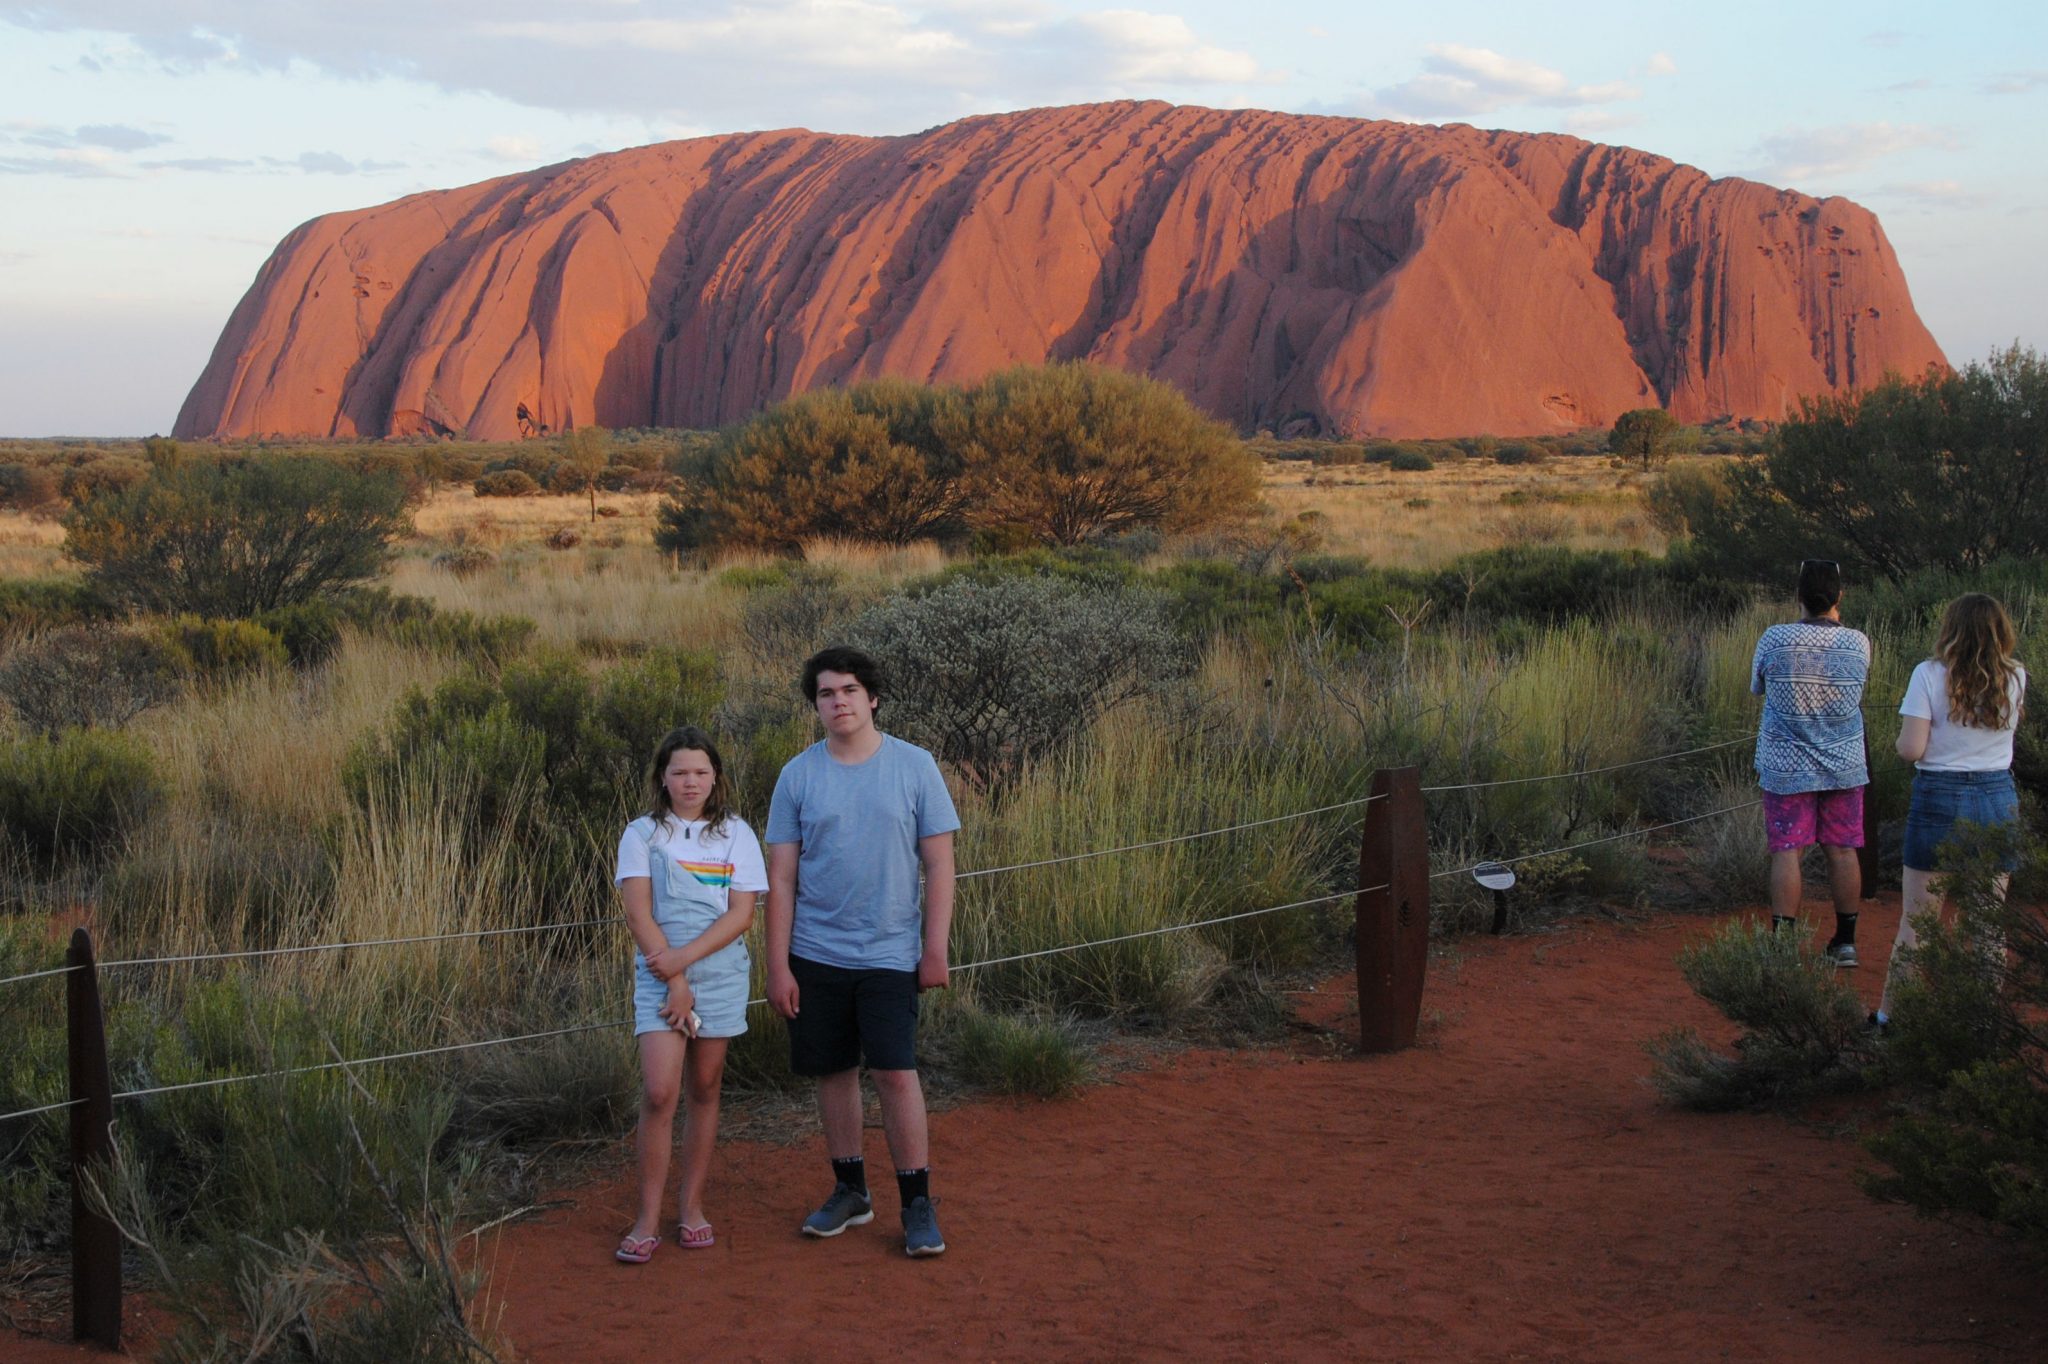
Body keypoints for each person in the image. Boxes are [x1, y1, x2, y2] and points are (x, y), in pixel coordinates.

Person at [765, 645, 959, 1258]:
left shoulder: (915, 766)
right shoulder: (798, 775)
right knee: (834, 1072)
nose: (838, 702)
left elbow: (940, 863)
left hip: (890, 953)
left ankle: (917, 1203)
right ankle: (850, 1190)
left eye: (848, 690)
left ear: (872, 697)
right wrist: (777, 966)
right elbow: (783, 879)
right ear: (815, 705)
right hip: (816, 953)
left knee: (896, 1074)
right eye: (825, 693)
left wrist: (934, 949)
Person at [613, 725, 767, 1264]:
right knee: (660, 1091)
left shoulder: (736, 835)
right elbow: (639, 912)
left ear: (715, 777)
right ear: (662, 777)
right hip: (661, 976)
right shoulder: (642, 834)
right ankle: (646, 1217)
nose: (690, 781)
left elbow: (742, 915)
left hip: (721, 976)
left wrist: (686, 963)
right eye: (679, 771)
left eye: (701, 771)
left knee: (705, 1087)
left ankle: (692, 1206)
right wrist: (674, 977)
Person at [1872, 593, 2028, 1027]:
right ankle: (1982, 1023)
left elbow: (1910, 749)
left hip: (1939, 796)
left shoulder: (1928, 674)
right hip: (1998, 797)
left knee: (1918, 922)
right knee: (1987, 921)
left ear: (1951, 629)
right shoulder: (2016, 676)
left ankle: (1890, 1019)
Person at [1750, 558, 1871, 962]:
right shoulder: (1859, 642)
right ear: (1839, 597)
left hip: (1786, 764)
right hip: (1843, 763)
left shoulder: (1775, 639)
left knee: (1788, 850)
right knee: (1842, 849)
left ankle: (1783, 948)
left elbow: (1757, 687)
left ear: (1798, 595)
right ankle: (1846, 941)